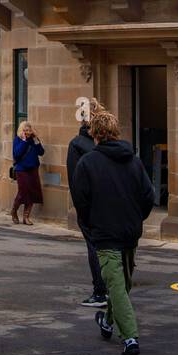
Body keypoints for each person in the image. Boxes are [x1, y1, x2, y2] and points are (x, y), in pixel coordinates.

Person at [70, 109, 155, 355]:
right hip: (129, 232)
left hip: (106, 234)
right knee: (121, 284)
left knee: (119, 285)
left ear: (94, 134)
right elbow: (148, 196)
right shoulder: (134, 160)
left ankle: (130, 337)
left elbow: (81, 201)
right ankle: (108, 323)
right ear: (116, 132)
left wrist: (92, 225)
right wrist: (136, 218)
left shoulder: (87, 163)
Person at [66, 99, 108, 306]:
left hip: (92, 208)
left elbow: (75, 183)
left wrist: (82, 212)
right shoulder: (115, 145)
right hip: (113, 206)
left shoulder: (77, 144)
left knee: (95, 247)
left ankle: (101, 291)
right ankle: (116, 289)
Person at [11, 120, 44, 225]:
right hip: (22, 170)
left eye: (29, 130)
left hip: (33, 169)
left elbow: (41, 152)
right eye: (25, 130)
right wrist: (24, 141)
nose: (28, 132)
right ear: (21, 131)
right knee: (23, 192)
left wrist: (36, 140)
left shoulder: (33, 139)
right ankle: (14, 211)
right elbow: (16, 154)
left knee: (32, 193)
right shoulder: (18, 140)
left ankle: (26, 217)